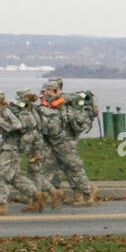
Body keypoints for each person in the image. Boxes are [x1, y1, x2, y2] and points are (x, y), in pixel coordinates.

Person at [37, 77, 96, 205]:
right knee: (50, 167)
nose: (44, 94)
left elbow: (60, 124)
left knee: (74, 167)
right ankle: (49, 194)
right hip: (55, 142)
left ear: (55, 90)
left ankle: (88, 193)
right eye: (44, 91)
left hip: (66, 142)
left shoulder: (63, 103)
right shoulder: (50, 104)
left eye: (47, 91)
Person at [0, 92, 44, 217]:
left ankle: (2, 205)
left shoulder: (5, 111)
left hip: (11, 148)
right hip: (13, 148)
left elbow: (17, 125)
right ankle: (35, 195)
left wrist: (0, 121)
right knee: (14, 177)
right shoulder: (3, 111)